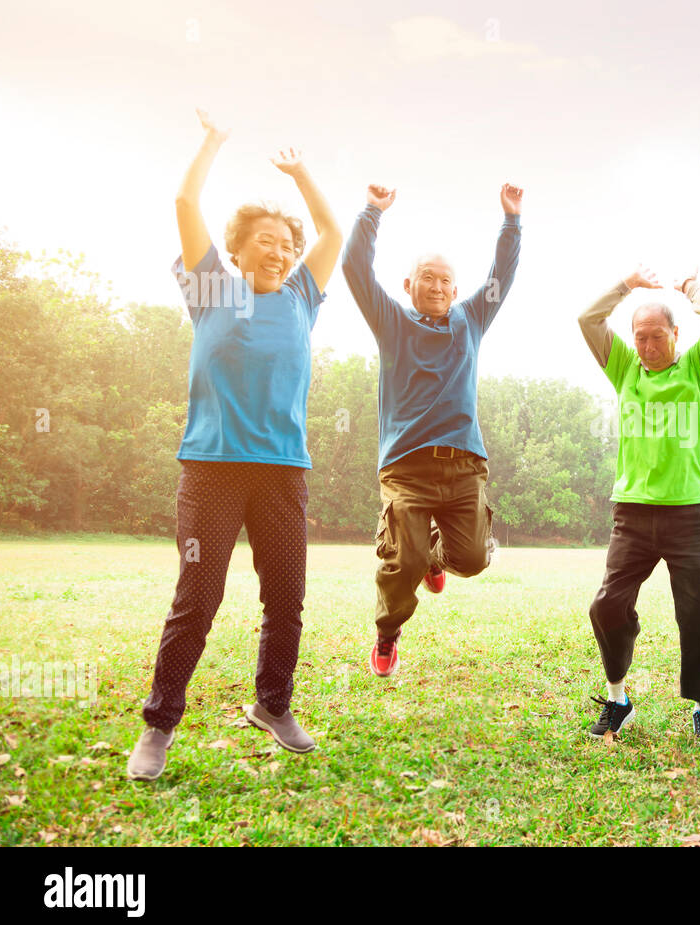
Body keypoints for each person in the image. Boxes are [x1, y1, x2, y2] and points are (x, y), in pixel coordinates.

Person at [127, 109, 341, 781]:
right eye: (268, 241)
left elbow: (333, 231)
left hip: (281, 472)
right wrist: (213, 139)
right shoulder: (211, 287)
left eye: (287, 243)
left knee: (287, 598)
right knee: (199, 596)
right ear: (237, 249)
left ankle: (273, 705)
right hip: (212, 470)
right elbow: (187, 200)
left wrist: (300, 173)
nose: (280, 252)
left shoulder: (303, 294)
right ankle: (159, 725)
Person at [342, 183, 522, 677]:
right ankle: (387, 634)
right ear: (409, 284)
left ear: (455, 288)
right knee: (404, 561)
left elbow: (500, 278)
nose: (438, 287)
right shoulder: (391, 322)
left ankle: (437, 560)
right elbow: (354, 269)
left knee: (473, 559)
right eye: (427, 278)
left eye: (445, 280)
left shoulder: (471, 320)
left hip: (464, 465)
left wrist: (511, 221)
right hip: (406, 466)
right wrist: (372, 212)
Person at [578, 266, 700, 741]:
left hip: (689, 515)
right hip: (632, 514)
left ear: (675, 334)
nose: (647, 346)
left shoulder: (696, 369)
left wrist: (688, 288)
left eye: (656, 336)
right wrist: (626, 286)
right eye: (640, 337)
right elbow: (587, 319)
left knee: (695, 610)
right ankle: (618, 699)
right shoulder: (625, 369)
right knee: (607, 606)